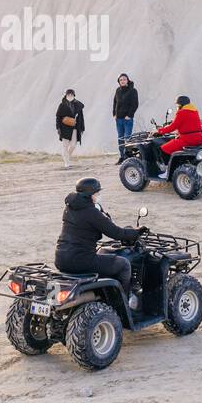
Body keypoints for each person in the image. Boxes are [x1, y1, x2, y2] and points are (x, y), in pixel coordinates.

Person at [54, 177, 142, 310]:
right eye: (97, 193)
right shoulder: (91, 212)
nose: (98, 195)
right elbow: (116, 233)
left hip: (61, 258)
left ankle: (103, 295)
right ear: (91, 195)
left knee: (102, 252)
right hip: (80, 260)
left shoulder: (69, 208)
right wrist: (137, 232)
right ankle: (123, 304)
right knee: (124, 264)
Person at [146, 95, 202, 177]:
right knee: (173, 144)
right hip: (198, 138)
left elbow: (173, 127)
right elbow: (187, 125)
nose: (177, 107)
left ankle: (166, 172)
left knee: (163, 149)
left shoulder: (182, 112)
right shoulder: (194, 111)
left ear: (181, 105)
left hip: (187, 140)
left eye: (177, 105)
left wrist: (159, 131)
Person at [55, 89, 85, 168]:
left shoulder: (78, 105)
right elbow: (58, 117)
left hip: (75, 127)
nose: (70, 96)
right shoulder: (62, 105)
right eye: (68, 94)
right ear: (66, 95)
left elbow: (81, 118)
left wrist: (82, 128)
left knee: (73, 145)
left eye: (71, 94)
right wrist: (58, 127)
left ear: (74, 95)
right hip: (64, 128)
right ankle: (67, 163)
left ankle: (67, 157)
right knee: (65, 145)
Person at [111, 73, 139, 160]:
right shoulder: (118, 90)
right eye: (121, 80)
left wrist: (129, 115)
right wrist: (114, 114)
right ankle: (122, 157)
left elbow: (135, 104)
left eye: (124, 79)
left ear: (127, 80)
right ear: (119, 82)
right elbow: (115, 102)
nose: (122, 81)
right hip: (118, 119)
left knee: (127, 138)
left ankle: (128, 157)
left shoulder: (133, 90)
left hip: (127, 119)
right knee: (120, 138)